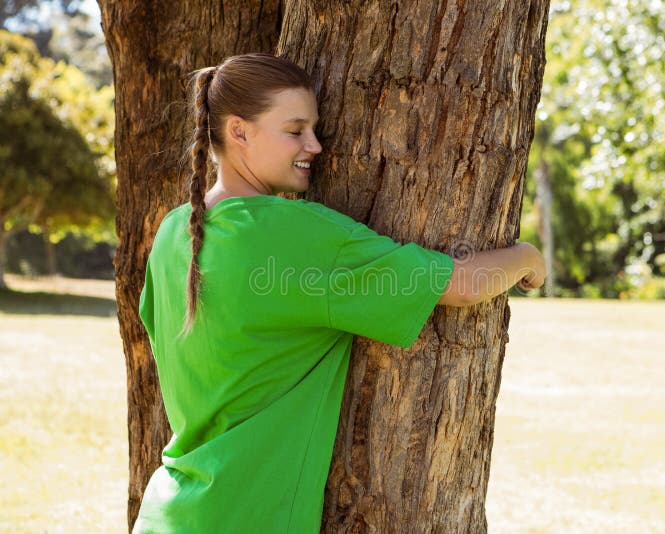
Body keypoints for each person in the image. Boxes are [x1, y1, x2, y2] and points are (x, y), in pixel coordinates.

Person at [133, 52, 545, 533]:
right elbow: (458, 284)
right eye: (295, 130)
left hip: (170, 514)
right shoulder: (289, 235)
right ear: (238, 131)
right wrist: (525, 257)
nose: (316, 145)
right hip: (247, 517)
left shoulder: (172, 233)